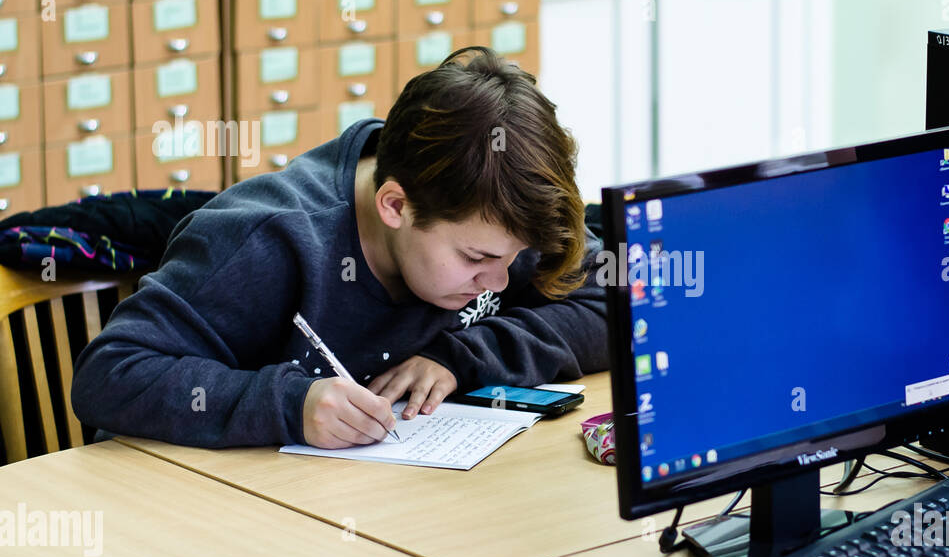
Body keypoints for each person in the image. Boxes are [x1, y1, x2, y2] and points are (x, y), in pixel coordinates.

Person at [71, 47, 606, 449]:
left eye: (513, 257)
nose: (500, 281)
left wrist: (462, 357)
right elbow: (109, 376)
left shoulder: (492, 210)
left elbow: (622, 300)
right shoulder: (266, 239)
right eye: (476, 260)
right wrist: (289, 404)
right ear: (395, 206)